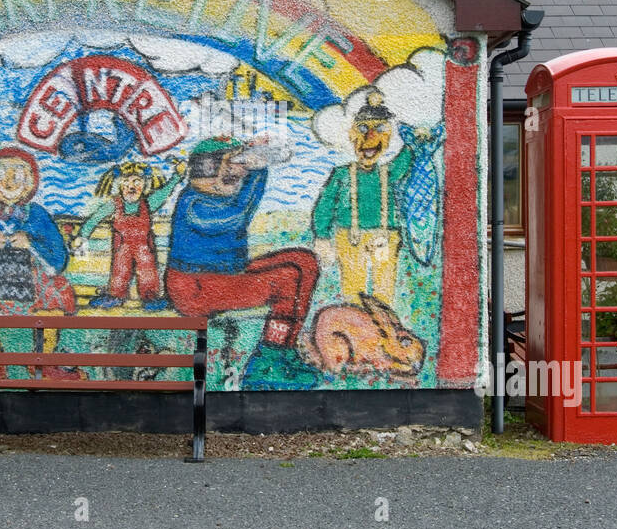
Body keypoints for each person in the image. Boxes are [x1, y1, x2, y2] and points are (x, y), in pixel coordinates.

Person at [165, 137, 318, 379]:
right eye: (231, 164)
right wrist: (257, 171)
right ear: (209, 168)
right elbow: (238, 213)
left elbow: (245, 204)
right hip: (195, 288)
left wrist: (257, 166)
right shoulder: (194, 203)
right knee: (287, 279)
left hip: (223, 276)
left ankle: (286, 349)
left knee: (304, 261)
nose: (240, 171)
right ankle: (268, 360)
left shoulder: (220, 196)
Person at [0, 147, 79, 379]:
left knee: (53, 304)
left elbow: (58, 258)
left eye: (17, 175)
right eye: (1, 174)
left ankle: (44, 360)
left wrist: (31, 245)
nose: (9, 181)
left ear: (29, 183)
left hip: (33, 280)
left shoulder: (37, 215)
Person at [311, 90, 435, 306]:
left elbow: (406, 159)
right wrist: (321, 236)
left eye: (379, 129)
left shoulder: (389, 171)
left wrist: (416, 139)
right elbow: (326, 203)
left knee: (383, 287)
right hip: (350, 236)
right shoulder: (342, 174)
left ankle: (383, 329)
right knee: (353, 287)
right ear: (352, 134)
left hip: (385, 237)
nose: (370, 138)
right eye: (363, 129)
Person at [73, 160, 184, 310]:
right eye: (126, 182)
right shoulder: (114, 204)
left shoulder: (148, 203)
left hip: (144, 248)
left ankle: (151, 299)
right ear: (120, 185)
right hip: (122, 248)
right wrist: (83, 235)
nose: (131, 186)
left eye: (137, 182)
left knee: (148, 272)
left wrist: (178, 175)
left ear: (144, 186)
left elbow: (165, 192)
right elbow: (95, 218)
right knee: (120, 271)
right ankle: (115, 296)